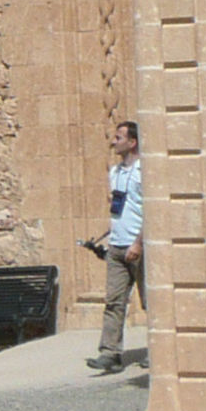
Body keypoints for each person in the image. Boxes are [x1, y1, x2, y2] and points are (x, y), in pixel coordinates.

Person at [86, 120, 145, 373]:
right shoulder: (115, 173)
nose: (113, 141)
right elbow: (120, 210)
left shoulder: (145, 172)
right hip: (117, 246)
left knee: (152, 302)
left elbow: (151, 210)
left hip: (139, 247)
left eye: (119, 137)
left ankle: (161, 350)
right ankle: (110, 353)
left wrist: (139, 243)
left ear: (132, 142)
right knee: (113, 301)